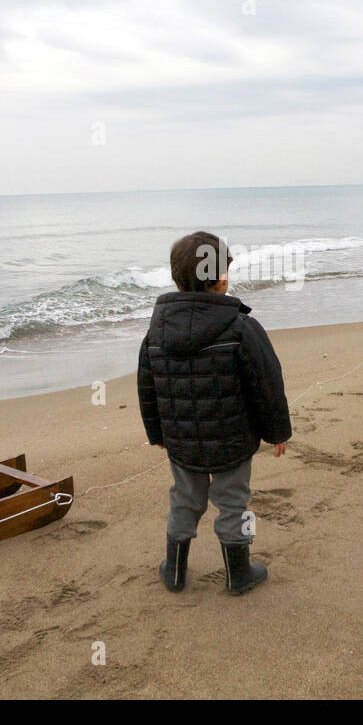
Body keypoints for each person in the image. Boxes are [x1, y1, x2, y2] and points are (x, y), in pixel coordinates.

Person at [137, 231, 292, 596]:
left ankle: (174, 572)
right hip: (233, 442)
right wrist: (277, 431)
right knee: (233, 503)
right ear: (221, 279)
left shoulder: (156, 331)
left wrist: (158, 434)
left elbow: (147, 388)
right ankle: (238, 574)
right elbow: (266, 382)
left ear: (178, 277)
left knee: (185, 500)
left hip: (182, 443)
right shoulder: (241, 327)